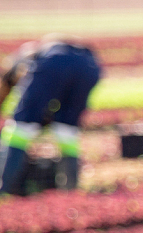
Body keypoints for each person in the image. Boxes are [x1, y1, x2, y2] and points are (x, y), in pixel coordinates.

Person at [1, 36, 100, 196]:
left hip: (55, 63)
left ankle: (5, 188)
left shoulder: (22, 59)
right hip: (89, 67)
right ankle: (71, 189)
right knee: (67, 130)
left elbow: (9, 88)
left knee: (21, 128)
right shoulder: (59, 49)